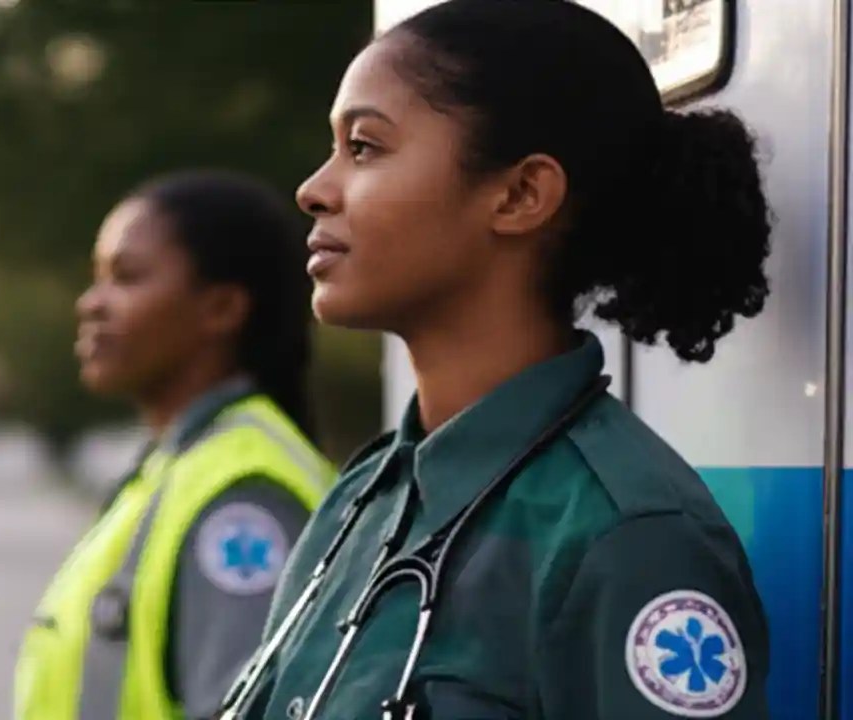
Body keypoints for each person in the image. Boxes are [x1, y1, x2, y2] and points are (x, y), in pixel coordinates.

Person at [218, 1, 772, 718]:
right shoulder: (364, 498)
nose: (314, 189)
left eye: (364, 147)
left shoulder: (629, 540)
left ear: (519, 195)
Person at [13, 170, 335, 720]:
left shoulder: (242, 497)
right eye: (96, 279)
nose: (92, 304)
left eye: (127, 277)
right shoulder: (173, 466)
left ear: (222, 309)